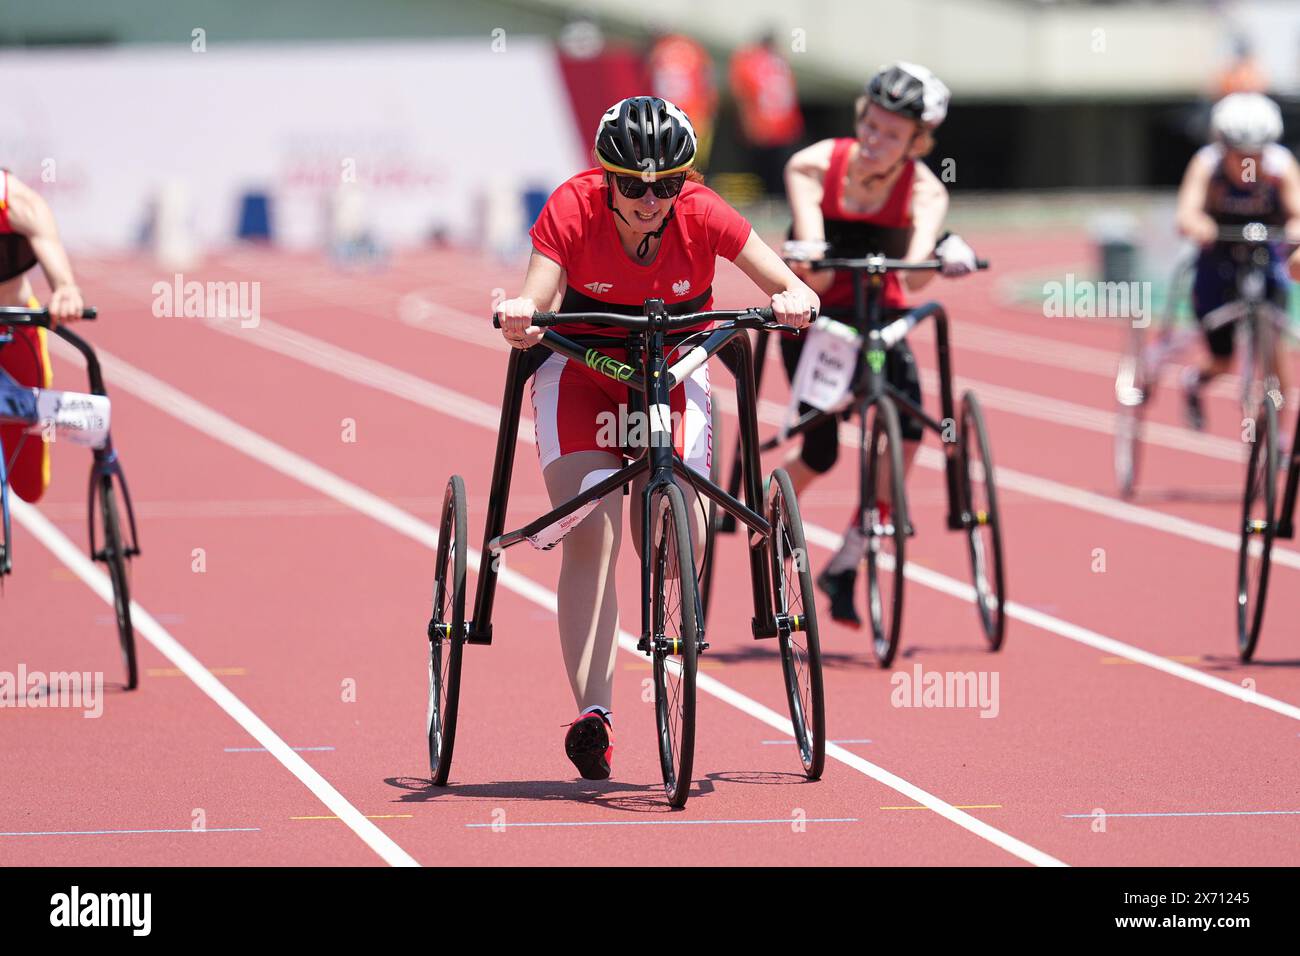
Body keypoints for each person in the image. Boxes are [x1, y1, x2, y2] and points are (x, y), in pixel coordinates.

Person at [497, 96, 816, 781]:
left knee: (679, 536)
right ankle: (595, 715)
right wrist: (525, 314)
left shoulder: (702, 211)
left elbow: (782, 280)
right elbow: (539, 295)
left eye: (666, 184)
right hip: (582, 372)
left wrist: (794, 297)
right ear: (605, 177)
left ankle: (672, 618)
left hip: (672, 373)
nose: (650, 200)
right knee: (592, 530)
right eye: (633, 185)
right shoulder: (571, 207)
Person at [780, 63, 978, 627]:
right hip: (818, 313)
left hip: (880, 316)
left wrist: (941, 255)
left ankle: (850, 557)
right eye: (870, 124)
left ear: (917, 143)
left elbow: (913, 282)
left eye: (891, 135)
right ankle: (768, 515)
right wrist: (808, 258)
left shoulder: (925, 190)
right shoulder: (812, 165)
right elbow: (815, 276)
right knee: (821, 451)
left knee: (910, 427)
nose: (873, 140)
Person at [1175, 92, 1300, 431]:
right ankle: (1195, 379)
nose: (1248, 163)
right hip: (1218, 259)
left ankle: (1274, 439)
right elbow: (1187, 212)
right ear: (1223, 147)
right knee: (1222, 360)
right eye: (1240, 155)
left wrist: (1294, 227)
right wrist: (1199, 223)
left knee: (1276, 355)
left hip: (1264, 256)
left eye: (1256, 154)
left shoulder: (1281, 166)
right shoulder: (1207, 165)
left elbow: (1297, 210)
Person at [0, 168, 85, 504]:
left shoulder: (20, 203)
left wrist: (66, 290)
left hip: (14, 330)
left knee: (29, 484)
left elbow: (58, 269)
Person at [729, 30, 804, 198]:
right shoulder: (779, 64)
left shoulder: (750, 61)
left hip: (765, 128)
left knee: (762, 173)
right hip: (780, 129)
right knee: (775, 173)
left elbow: (742, 96)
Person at [647, 31, 717, 170]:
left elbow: (648, 84)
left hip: (664, 119)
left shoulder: (657, 52)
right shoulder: (694, 48)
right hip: (694, 118)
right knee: (693, 167)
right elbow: (708, 84)